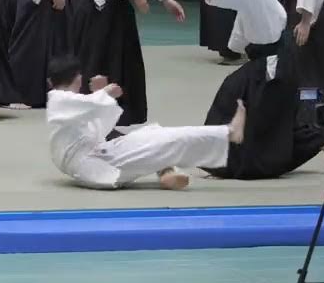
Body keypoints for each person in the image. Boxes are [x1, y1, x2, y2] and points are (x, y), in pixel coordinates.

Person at [164, 0, 324, 180]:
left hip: (275, 66)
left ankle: (218, 157)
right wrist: (235, 46)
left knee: (246, 104)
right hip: (267, 63)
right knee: (269, 114)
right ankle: (218, 157)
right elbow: (240, 32)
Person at [46, 55, 245, 191]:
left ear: (50, 81)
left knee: (152, 133)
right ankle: (228, 133)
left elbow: (96, 127)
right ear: (78, 78)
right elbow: (91, 108)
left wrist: (100, 93)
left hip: (93, 159)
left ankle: (167, 171)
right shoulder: (58, 100)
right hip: (95, 164)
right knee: (166, 139)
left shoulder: (66, 104)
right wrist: (105, 92)